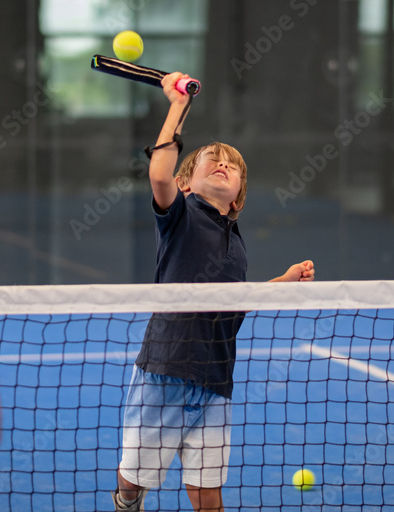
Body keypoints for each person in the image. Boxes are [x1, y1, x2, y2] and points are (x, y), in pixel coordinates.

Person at [113, 72, 315, 512]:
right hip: (165, 369)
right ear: (187, 183)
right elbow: (158, 171)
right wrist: (177, 106)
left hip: (215, 381)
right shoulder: (180, 215)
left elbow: (234, 301)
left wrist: (284, 282)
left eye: (233, 166)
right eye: (211, 160)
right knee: (135, 482)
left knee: (208, 494)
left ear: (239, 194)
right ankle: (127, 501)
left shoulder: (235, 242)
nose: (224, 165)